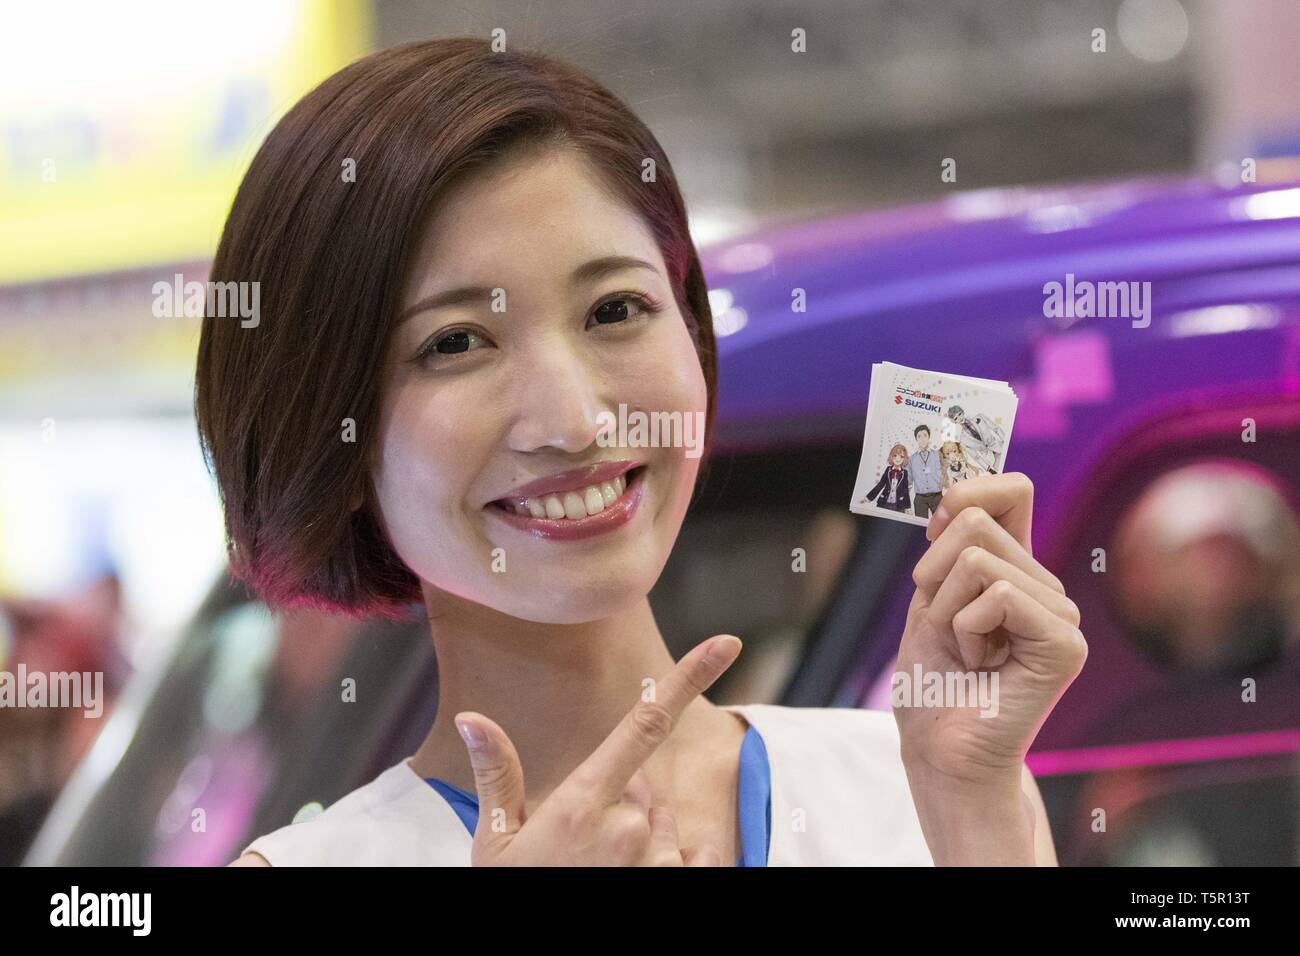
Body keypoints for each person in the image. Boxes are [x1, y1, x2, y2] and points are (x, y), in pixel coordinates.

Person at [201, 38, 1085, 866]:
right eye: (456, 343)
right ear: (330, 431)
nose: (576, 421)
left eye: (615, 310)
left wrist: (974, 815)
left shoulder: (921, 783)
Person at [907, 424, 944, 519]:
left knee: (942, 523)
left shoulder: (938, 455)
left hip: (937, 497)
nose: (922, 439)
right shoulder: (911, 459)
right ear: (916, 439)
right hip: (920, 499)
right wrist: (906, 504)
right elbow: (909, 482)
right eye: (919, 436)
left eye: (925, 435)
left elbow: (946, 473)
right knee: (920, 526)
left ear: (929, 437)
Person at [862, 443, 912, 512]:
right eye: (895, 455)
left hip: (898, 505)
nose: (898, 458)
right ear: (891, 456)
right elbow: (880, 485)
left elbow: (905, 490)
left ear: (904, 458)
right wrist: (868, 498)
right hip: (884, 502)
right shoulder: (888, 469)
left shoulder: (905, 473)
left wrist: (907, 507)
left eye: (901, 456)